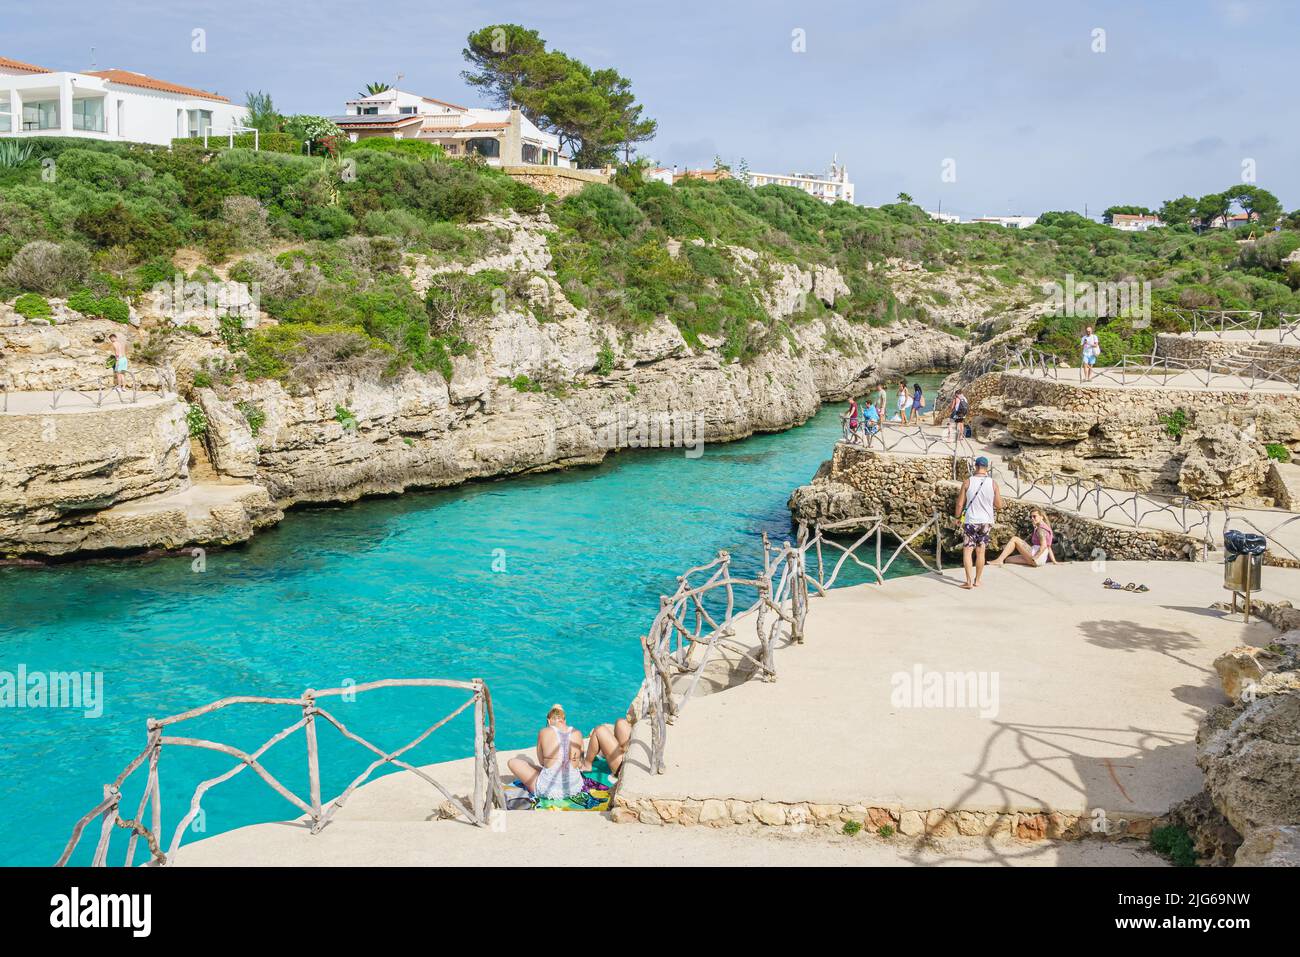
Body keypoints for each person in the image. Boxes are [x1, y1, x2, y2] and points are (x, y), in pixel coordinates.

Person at [507, 704, 587, 800]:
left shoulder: (544, 732)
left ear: (549, 721)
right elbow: (580, 764)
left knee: (513, 762)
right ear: (564, 720)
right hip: (575, 788)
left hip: (548, 791)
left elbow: (542, 763)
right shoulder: (578, 733)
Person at [954, 455, 1001, 589]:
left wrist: (957, 518)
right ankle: (977, 581)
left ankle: (968, 582)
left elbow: (959, 504)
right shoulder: (993, 483)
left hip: (971, 521)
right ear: (987, 468)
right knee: (981, 551)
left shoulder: (968, 482)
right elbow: (999, 505)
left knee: (968, 551)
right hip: (986, 522)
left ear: (975, 466)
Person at [990, 509, 1057, 567]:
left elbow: (1044, 546)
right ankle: (1002, 560)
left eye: (1034, 516)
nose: (1032, 518)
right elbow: (1049, 547)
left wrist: (1035, 557)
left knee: (1014, 539)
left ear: (1041, 517)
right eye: (1031, 517)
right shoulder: (1047, 528)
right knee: (1008, 560)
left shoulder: (1040, 529)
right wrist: (1054, 561)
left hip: (1036, 557)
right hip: (1041, 561)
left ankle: (999, 560)